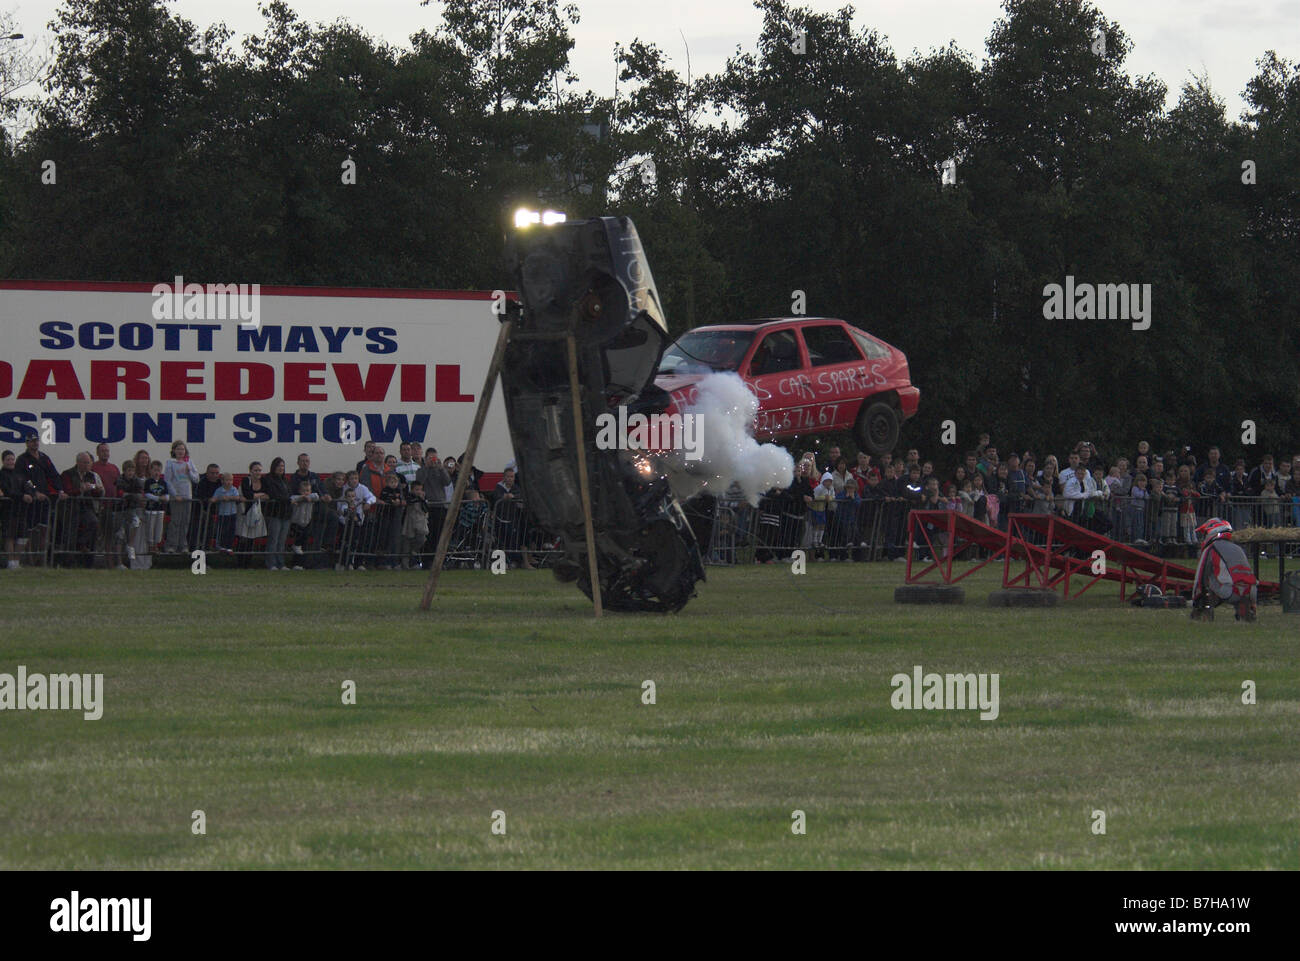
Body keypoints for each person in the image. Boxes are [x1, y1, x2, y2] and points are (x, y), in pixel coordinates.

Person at [1190, 518, 1257, 622]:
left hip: (1228, 591)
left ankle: (1205, 611)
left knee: (1208, 581)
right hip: (1250, 591)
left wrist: (1196, 599)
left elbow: (1201, 576)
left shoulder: (1211, 548)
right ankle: (1247, 611)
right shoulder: (1238, 548)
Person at [59, 451, 103, 566]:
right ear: (78, 462)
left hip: (86, 507)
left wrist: (96, 489)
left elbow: (97, 494)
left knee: (94, 522)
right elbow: (68, 491)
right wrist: (81, 490)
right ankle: (68, 562)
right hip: (71, 508)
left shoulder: (91, 475)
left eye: (88, 463)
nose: (87, 465)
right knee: (70, 535)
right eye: (84, 463)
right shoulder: (67, 474)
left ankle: (81, 545)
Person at [162, 441, 200, 554]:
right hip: (176, 497)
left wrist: (189, 472)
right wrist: (175, 495)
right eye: (178, 449)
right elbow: (168, 480)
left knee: (185, 522)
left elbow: (196, 479)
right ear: (174, 450)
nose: (180, 451)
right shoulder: (170, 462)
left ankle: (183, 545)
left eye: (182, 449)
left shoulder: (189, 462)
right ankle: (171, 546)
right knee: (175, 522)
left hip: (187, 496)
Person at [238, 462, 271, 569]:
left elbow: (268, 494)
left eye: (259, 470)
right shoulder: (246, 480)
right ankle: (240, 563)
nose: (258, 472)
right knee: (243, 539)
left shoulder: (264, 481)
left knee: (252, 539)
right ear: (250, 471)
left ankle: (248, 563)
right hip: (244, 513)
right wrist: (260, 495)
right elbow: (248, 495)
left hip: (256, 513)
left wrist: (255, 496)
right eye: (255, 470)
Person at [263, 457, 292, 571]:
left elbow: (290, 493)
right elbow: (273, 494)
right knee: (273, 540)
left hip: (286, 514)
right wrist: (288, 500)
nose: (281, 468)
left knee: (282, 541)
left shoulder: (285, 480)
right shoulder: (268, 479)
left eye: (283, 466)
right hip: (274, 513)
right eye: (279, 466)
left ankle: (281, 563)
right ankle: (271, 563)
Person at [288, 480, 320, 569]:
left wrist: (309, 497)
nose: (306, 493)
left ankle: (301, 564)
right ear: (299, 491)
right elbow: (291, 498)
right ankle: (295, 563)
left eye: (308, 491)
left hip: (306, 522)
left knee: (304, 543)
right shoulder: (296, 497)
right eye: (303, 491)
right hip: (296, 522)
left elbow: (316, 496)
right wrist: (301, 498)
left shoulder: (311, 497)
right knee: (298, 542)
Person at [401, 480, 430, 569]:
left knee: (421, 538)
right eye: (417, 489)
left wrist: (422, 500)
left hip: (420, 521)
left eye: (420, 490)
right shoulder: (409, 496)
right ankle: (405, 564)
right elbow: (410, 502)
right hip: (410, 521)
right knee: (407, 542)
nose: (419, 492)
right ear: (412, 490)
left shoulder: (422, 499)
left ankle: (413, 551)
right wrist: (418, 498)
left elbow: (426, 509)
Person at [212, 473, 241, 553]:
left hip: (232, 513)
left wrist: (229, 498)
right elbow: (214, 499)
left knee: (231, 531)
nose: (229, 482)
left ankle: (229, 546)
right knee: (222, 530)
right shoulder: (219, 490)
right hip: (223, 514)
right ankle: (221, 546)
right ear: (222, 481)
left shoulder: (234, 489)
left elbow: (237, 497)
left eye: (231, 480)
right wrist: (219, 498)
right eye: (227, 480)